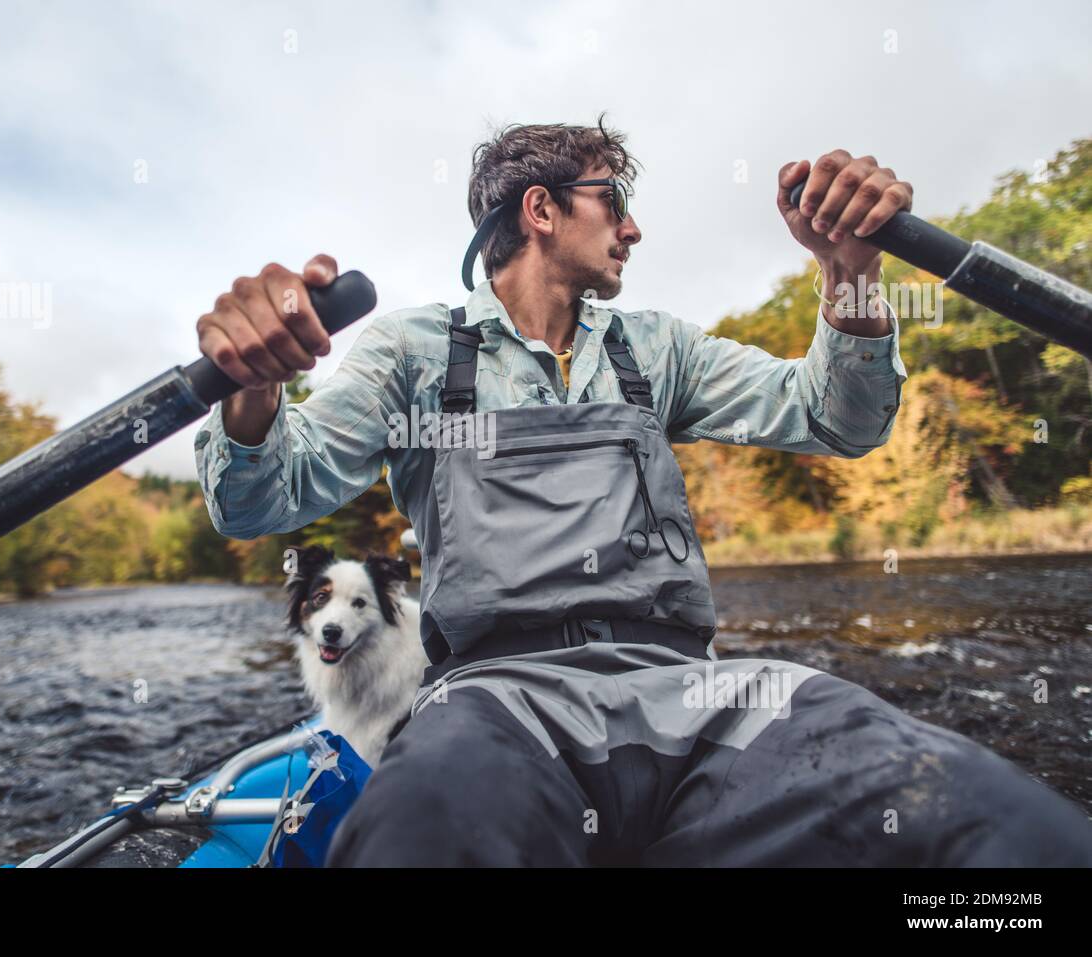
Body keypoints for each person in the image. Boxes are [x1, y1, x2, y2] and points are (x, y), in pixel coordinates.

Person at [193, 116, 1092, 866]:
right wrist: (254, 390)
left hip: (693, 694)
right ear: (539, 210)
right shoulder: (413, 352)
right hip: (495, 701)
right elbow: (260, 500)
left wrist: (850, 272)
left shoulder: (659, 350)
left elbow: (837, 420)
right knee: (418, 833)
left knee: (996, 831)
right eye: (612, 202)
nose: (633, 230)